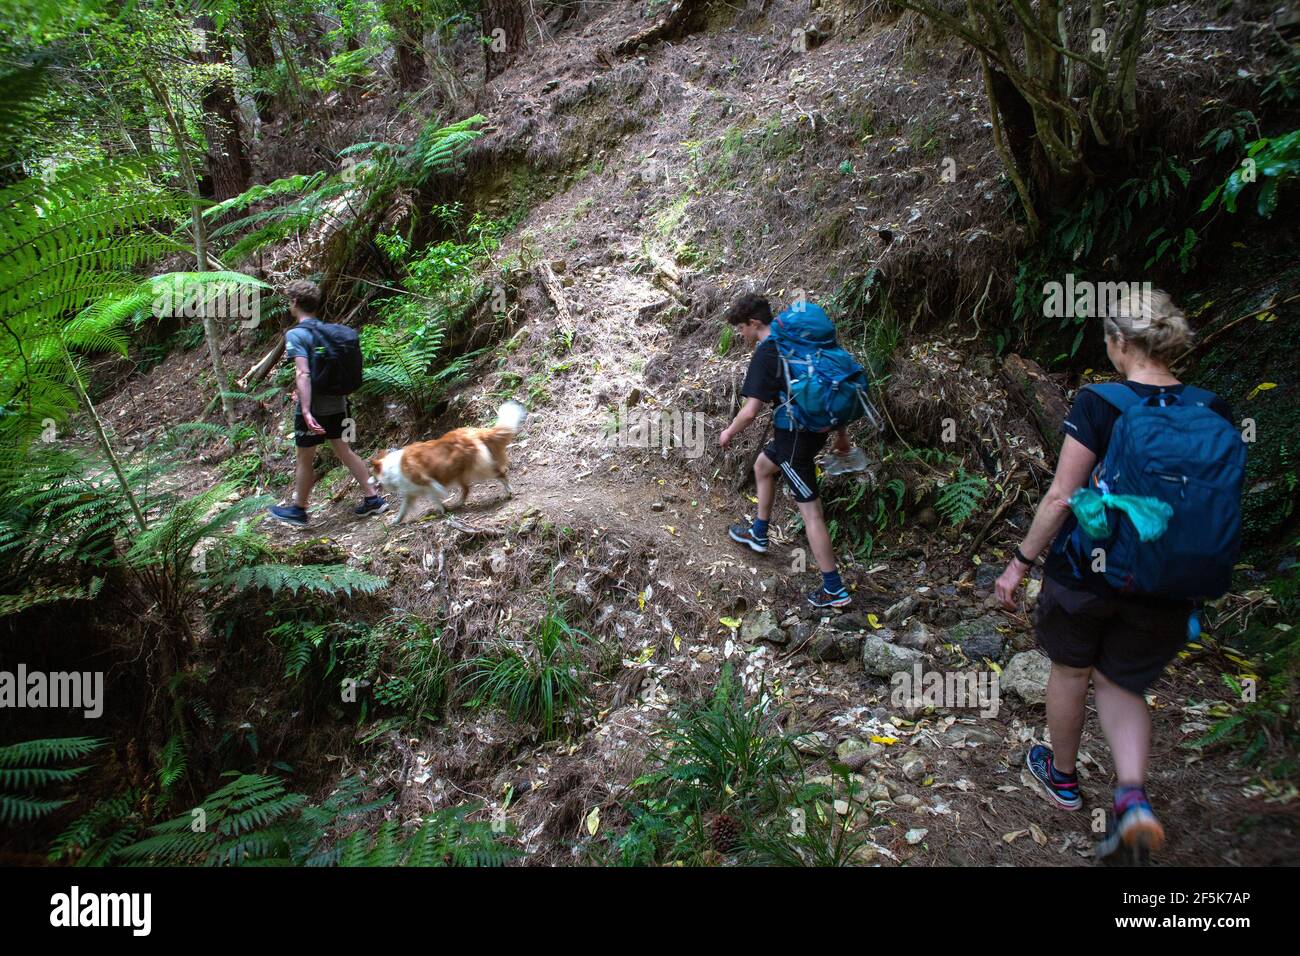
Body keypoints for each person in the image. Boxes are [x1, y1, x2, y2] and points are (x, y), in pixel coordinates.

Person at [994, 288, 1233, 857]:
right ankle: (1132, 798)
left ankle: (1063, 777)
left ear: (1122, 341)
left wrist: (1019, 562)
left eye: (1108, 338)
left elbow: (1060, 496)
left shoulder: (1101, 402)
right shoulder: (1213, 409)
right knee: (1123, 683)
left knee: (1072, 670)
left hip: (1089, 570)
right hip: (1168, 582)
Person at [719, 292, 854, 608]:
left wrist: (728, 432)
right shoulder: (797, 344)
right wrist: (841, 435)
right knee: (764, 467)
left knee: (811, 512)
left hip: (795, 438)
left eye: (741, 329)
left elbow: (750, 411)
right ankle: (759, 533)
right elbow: (829, 383)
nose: (740, 335)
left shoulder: (768, 352)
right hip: (806, 433)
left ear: (754, 324)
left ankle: (834, 588)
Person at [269, 279, 387, 527]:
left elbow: (304, 373)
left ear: (294, 303)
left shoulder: (296, 334)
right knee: (344, 450)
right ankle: (373, 498)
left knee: (305, 457)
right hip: (339, 403)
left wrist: (305, 408)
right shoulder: (328, 332)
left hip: (313, 409)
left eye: (289, 301)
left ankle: (299, 510)